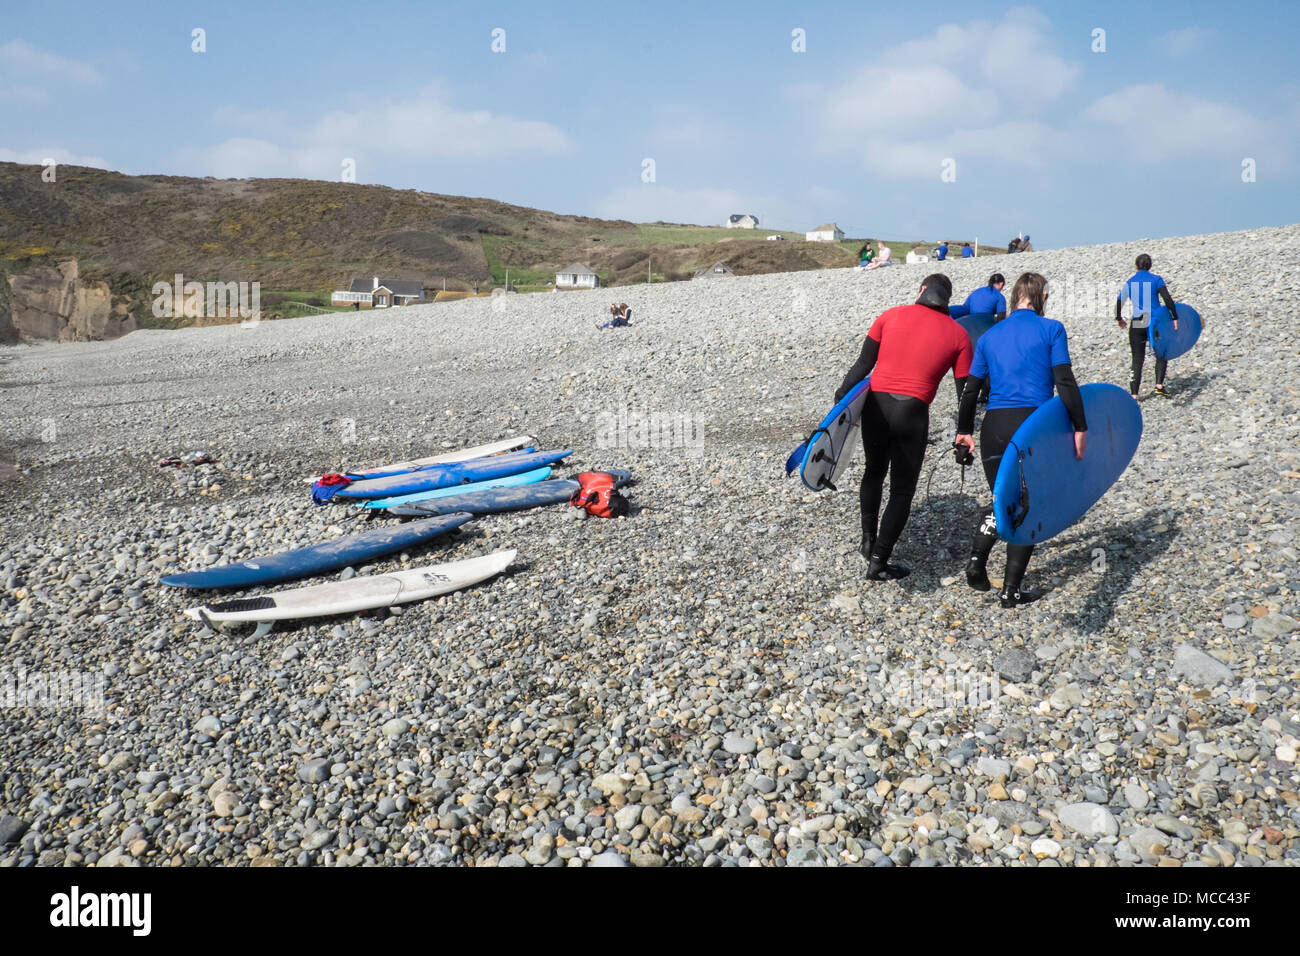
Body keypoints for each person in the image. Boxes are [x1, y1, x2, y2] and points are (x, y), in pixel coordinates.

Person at [953, 272, 1088, 608]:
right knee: (1030, 503)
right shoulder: (1052, 329)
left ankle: (976, 561)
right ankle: (1011, 590)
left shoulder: (989, 336)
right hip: (1034, 425)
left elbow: (970, 391)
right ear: (1040, 296)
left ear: (1013, 298)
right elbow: (1064, 381)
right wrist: (1080, 426)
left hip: (994, 427)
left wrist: (965, 431)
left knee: (1003, 497)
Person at [834, 275, 972, 581]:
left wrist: (839, 403)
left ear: (922, 290)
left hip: (876, 407)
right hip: (913, 413)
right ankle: (879, 560)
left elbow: (862, 366)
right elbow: (966, 392)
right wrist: (964, 432)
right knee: (902, 490)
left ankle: (868, 539)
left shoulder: (889, 316)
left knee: (873, 471)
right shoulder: (959, 335)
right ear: (947, 299)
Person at [1116, 253, 1178, 397]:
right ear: (1150, 266)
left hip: (1139, 320)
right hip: (1155, 321)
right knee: (1162, 353)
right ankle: (1159, 385)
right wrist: (1175, 317)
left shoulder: (1130, 282)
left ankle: (1134, 395)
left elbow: (1119, 301)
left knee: (1137, 358)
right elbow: (1167, 299)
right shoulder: (1156, 279)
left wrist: (1119, 318)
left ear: (1136, 266)